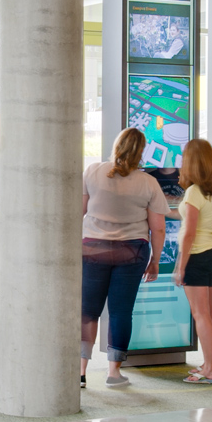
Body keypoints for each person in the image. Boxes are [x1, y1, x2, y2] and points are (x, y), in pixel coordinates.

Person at [79, 128, 162, 386]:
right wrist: (155, 261)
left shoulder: (92, 171)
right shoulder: (148, 182)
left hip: (93, 249)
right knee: (121, 312)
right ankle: (113, 373)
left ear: (116, 146)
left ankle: (79, 371)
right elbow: (158, 227)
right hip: (132, 251)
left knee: (87, 312)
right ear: (141, 152)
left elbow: (78, 212)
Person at [173, 138, 212, 384]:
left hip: (197, 256)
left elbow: (189, 233)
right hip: (211, 251)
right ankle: (209, 363)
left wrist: (180, 267)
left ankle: (210, 370)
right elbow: (189, 215)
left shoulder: (193, 192)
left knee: (200, 314)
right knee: (209, 312)